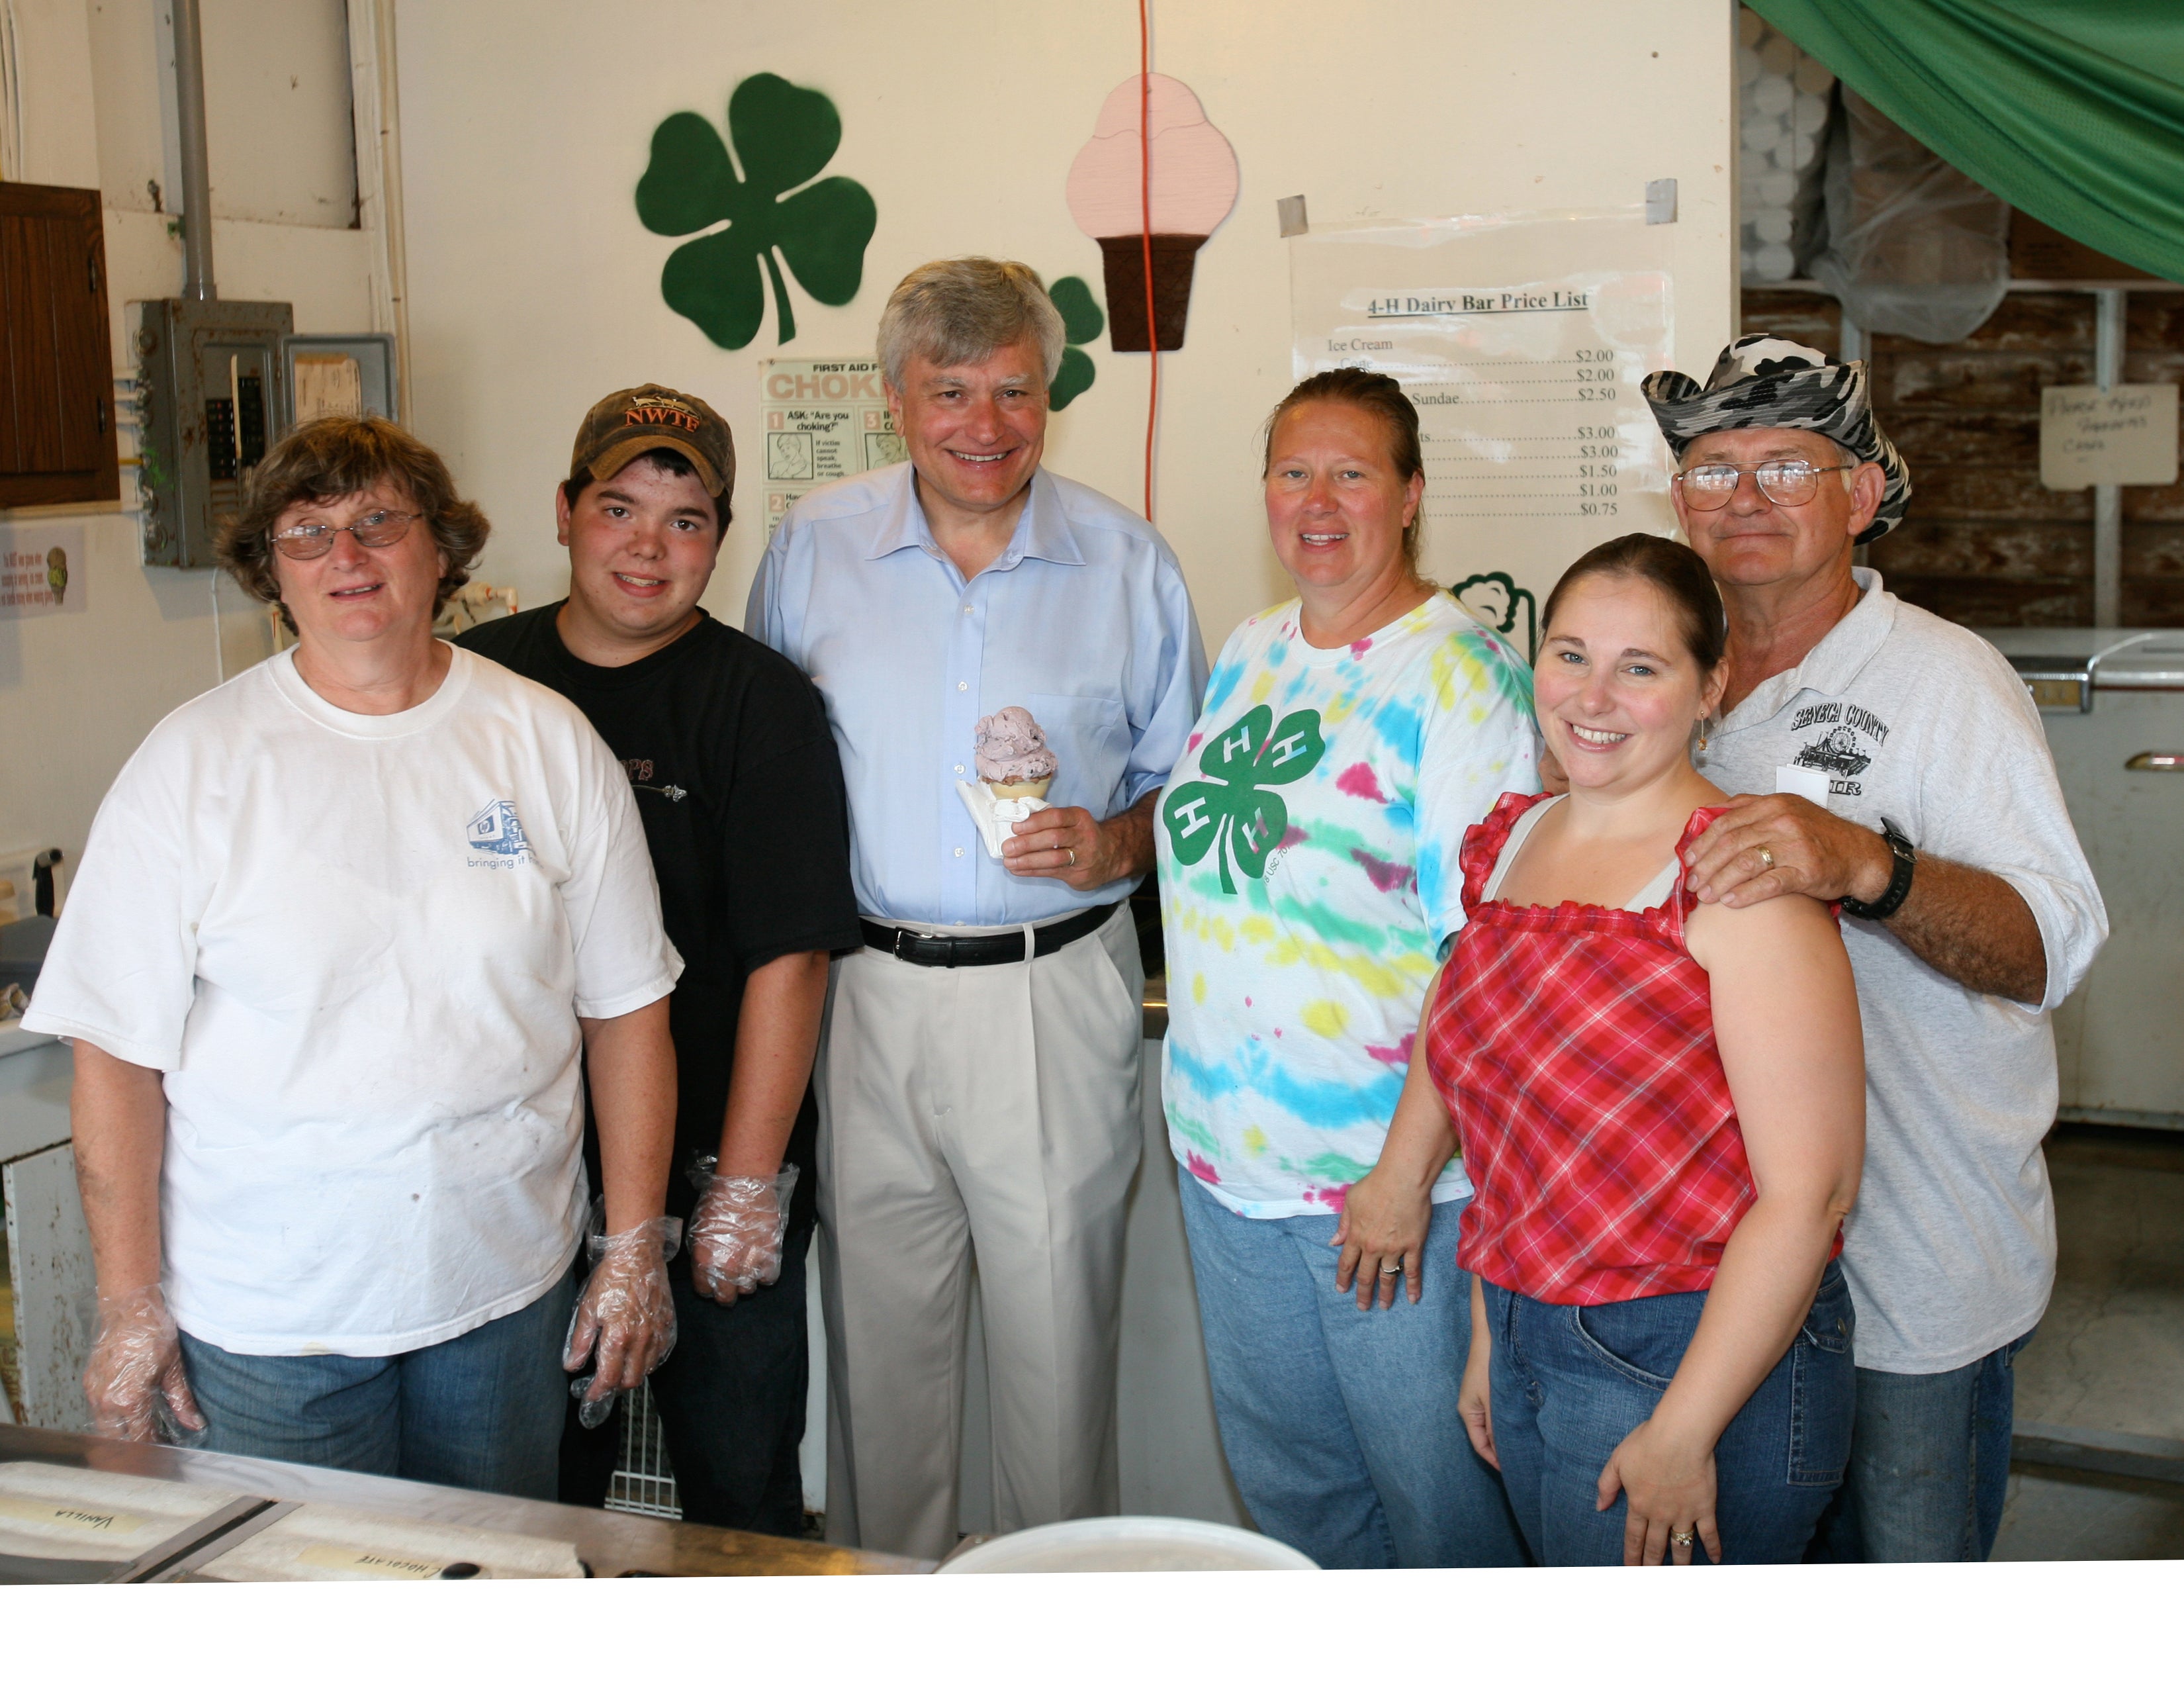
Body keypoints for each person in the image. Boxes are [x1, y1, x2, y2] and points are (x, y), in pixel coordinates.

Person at [24, 416, 683, 1500]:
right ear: (271, 569)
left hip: (500, 1290)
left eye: (379, 520)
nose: (346, 555)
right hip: (268, 1319)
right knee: (293, 1589)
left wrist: (633, 1242)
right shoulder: (192, 763)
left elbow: (628, 1013)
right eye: (307, 531)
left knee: (487, 1576)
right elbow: (116, 1056)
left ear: (441, 546)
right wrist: (131, 1301)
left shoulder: (546, 739)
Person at [747, 257, 1206, 1561]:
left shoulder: (1127, 562)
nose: (985, 425)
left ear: (1048, 394)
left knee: (1058, 1359)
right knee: (882, 1365)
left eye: (1014, 390)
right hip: (866, 994)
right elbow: (761, 770)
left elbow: (1190, 790)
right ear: (895, 397)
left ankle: (1048, 1617)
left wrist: (1112, 838)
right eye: (951, 391)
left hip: (1051, 989)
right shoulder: (812, 549)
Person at [1645, 337, 2107, 1562]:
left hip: (1916, 1264)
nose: (1746, 497)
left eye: (1788, 468)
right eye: (1714, 469)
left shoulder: (1948, 681)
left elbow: (2053, 945)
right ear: (1678, 499)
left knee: (1906, 1600)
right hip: (1722, 1268)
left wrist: (1871, 865)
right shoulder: (1668, 678)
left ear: (1859, 494)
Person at [1385, 534, 1866, 1565]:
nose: (1592, 697)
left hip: (1692, 1350)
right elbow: (1514, 1122)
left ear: (1710, 687)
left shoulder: (1739, 880)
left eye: (1639, 667)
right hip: (1530, 1325)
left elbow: (1811, 1196)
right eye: (1570, 655)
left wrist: (1685, 1430)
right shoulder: (1515, 841)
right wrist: (1493, 1333)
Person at [460, 387, 861, 1534]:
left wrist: (744, 1188)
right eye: (619, 508)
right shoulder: (478, 683)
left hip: (714, 1163)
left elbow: (792, 956)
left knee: (738, 1493)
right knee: (536, 1501)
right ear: (564, 511)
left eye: (685, 520)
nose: (648, 545)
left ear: (719, 540)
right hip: (524, 1175)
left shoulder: (761, 702)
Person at [1156, 369, 1534, 1569]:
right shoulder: (1252, 646)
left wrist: (1402, 1177)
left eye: (1352, 474)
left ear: (1411, 495)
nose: (1317, 502)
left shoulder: (1460, 677)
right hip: (1228, 1170)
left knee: (1439, 1517)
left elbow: (1479, 956)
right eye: (1293, 472)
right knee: (1298, 1500)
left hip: (1383, 1190)